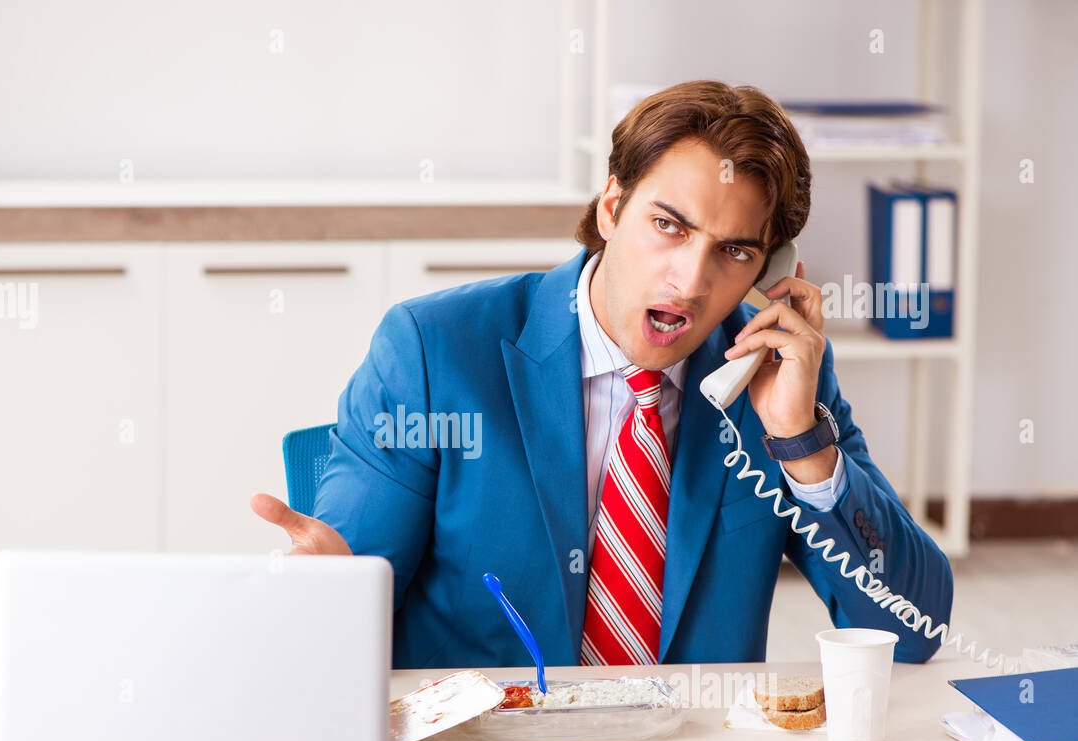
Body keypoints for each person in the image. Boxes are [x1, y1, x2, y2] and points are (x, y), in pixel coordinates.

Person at [250, 80, 952, 670]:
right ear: (611, 209)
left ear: (770, 269)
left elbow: (916, 628)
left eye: (735, 250)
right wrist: (322, 589)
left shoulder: (775, 379)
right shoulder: (434, 351)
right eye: (669, 226)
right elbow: (343, 599)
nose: (691, 279)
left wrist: (802, 443)